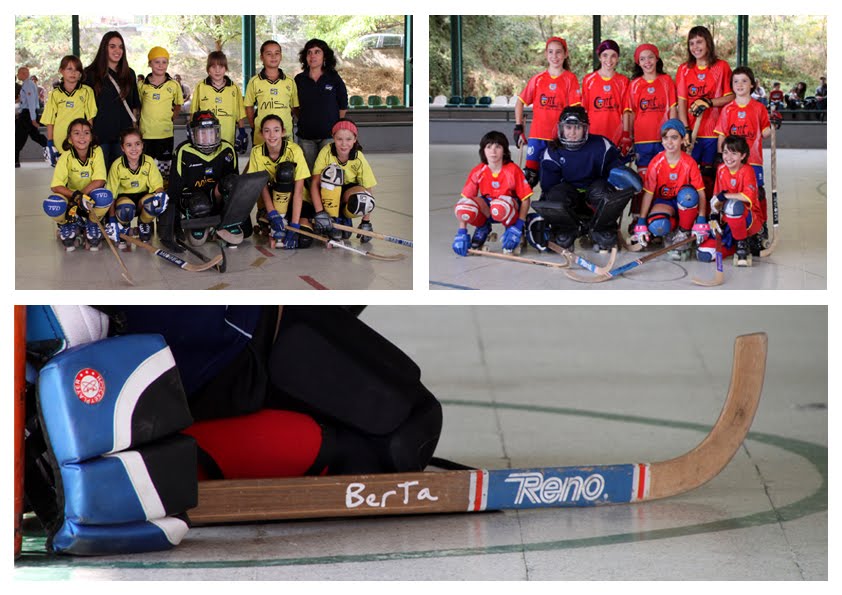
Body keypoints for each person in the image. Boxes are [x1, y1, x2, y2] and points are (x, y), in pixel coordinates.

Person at [23, 305, 442, 555]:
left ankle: (164, 461)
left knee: (396, 435)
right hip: (238, 341)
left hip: (197, 365)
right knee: (406, 433)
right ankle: (163, 464)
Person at [528, 105, 640, 253]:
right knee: (555, 195)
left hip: (595, 198)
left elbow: (615, 170)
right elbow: (549, 188)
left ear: (585, 129)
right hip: (571, 202)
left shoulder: (601, 145)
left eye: (577, 128)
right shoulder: (552, 151)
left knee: (603, 191)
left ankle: (603, 229)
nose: (572, 133)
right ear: (561, 128)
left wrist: (625, 177)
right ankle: (565, 230)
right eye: (568, 127)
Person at [158, 110, 239, 251]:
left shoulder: (227, 149)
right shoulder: (183, 151)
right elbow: (174, 191)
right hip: (193, 201)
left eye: (211, 132)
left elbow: (236, 187)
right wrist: (171, 228)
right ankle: (198, 221)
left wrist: (241, 220)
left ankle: (227, 222)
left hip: (215, 197)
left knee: (233, 183)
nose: (207, 138)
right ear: (192, 134)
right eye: (202, 133)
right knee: (200, 204)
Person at [630, 119, 708, 260]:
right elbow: (648, 194)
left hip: (685, 203)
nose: (669, 142)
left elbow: (701, 192)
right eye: (665, 138)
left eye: (674, 137)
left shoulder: (689, 162)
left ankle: (684, 231)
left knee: (688, 195)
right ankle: (671, 233)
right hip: (665, 202)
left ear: (683, 140)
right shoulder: (656, 162)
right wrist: (641, 221)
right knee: (657, 225)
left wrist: (702, 218)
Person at [713, 66, 771, 253]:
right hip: (733, 162)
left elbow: (766, 132)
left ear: (752, 84)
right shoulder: (728, 109)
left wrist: (775, 124)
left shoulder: (759, 108)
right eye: (736, 81)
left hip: (753, 160)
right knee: (733, 193)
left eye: (744, 81)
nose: (740, 85)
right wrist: (720, 157)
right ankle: (737, 229)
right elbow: (722, 135)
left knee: (757, 195)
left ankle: (760, 228)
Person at [452, 131, 533, 256]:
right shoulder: (478, 171)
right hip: (489, 210)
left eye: (498, 147)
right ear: (483, 151)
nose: (493, 151)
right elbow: (466, 201)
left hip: (508, 210)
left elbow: (525, 199)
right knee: (464, 207)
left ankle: (511, 231)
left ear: (505, 151)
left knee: (500, 205)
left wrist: (518, 226)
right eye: (488, 147)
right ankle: (483, 228)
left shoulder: (513, 170)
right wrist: (461, 231)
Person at [514, 37, 581, 187]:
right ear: (546, 54)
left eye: (558, 52)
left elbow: (575, 111)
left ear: (565, 54)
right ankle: (520, 210)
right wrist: (518, 127)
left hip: (558, 139)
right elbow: (520, 102)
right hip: (537, 137)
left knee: (551, 181)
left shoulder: (570, 79)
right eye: (550, 52)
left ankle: (548, 209)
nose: (554, 56)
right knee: (528, 179)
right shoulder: (537, 79)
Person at [676, 25, 734, 199]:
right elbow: (682, 103)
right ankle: (690, 213)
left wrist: (709, 102)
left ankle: (710, 216)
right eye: (691, 43)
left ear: (708, 42)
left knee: (710, 175)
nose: (695, 47)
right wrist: (685, 130)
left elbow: (730, 96)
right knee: (690, 175)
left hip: (714, 133)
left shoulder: (722, 67)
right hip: (692, 134)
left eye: (699, 42)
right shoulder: (684, 70)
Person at [625, 43, 677, 228]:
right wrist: (627, 136)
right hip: (643, 140)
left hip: (664, 140)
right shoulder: (635, 84)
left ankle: (660, 218)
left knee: (664, 178)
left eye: (650, 57)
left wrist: (675, 134)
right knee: (644, 180)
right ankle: (639, 218)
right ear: (638, 63)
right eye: (642, 59)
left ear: (657, 58)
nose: (647, 62)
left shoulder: (666, 81)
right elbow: (630, 113)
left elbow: (672, 109)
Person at [41, 118, 113, 251]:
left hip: (89, 201)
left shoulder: (97, 152)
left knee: (105, 196)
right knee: (52, 204)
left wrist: (81, 196)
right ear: (69, 138)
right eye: (76, 133)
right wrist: (75, 197)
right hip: (71, 203)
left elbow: (100, 180)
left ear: (91, 137)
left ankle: (92, 224)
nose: (82, 137)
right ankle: (66, 225)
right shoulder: (65, 156)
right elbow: (56, 186)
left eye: (86, 133)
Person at [246, 114, 314, 249]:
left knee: (304, 239)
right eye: (267, 131)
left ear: (283, 132)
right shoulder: (256, 152)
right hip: (272, 201)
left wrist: (294, 225)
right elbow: (262, 186)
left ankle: (286, 223)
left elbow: (299, 191)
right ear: (261, 133)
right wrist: (272, 213)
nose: (272, 135)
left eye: (276, 130)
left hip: (296, 201)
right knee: (279, 234)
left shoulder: (294, 150)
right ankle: (273, 222)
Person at [307, 118, 378, 242]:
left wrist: (366, 221)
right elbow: (314, 183)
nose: (344, 144)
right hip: (327, 193)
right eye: (339, 139)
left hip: (345, 194)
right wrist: (320, 213)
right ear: (333, 138)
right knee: (334, 173)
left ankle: (343, 217)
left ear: (355, 139)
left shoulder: (358, 157)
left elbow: (368, 188)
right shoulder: (326, 152)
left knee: (365, 198)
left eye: (348, 139)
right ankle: (331, 219)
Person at [697, 135, 762, 265]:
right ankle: (732, 245)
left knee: (733, 206)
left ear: (743, 156)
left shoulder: (747, 170)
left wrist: (725, 196)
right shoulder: (721, 169)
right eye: (726, 152)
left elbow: (746, 196)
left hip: (748, 219)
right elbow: (716, 197)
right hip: (727, 221)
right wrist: (714, 216)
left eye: (734, 153)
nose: (728, 157)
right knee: (703, 254)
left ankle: (741, 244)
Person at [84, 31, 142, 168]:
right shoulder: (90, 74)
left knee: (121, 176)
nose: (117, 50)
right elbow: (85, 108)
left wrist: (134, 134)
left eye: (121, 47)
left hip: (123, 137)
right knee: (100, 177)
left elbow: (134, 106)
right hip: (99, 136)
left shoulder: (129, 73)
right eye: (112, 46)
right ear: (104, 48)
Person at [105, 128, 167, 246]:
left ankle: (144, 223)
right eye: (129, 145)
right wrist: (112, 219)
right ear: (122, 148)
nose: (134, 148)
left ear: (142, 145)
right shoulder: (117, 165)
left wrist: (161, 197)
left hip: (142, 199)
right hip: (124, 200)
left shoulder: (148, 162)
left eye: (137, 144)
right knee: (125, 209)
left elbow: (158, 187)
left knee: (152, 202)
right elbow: (111, 194)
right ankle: (123, 224)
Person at [294, 39, 349, 172]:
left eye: (317, 52)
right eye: (309, 53)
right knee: (309, 174)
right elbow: (294, 106)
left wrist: (335, 125)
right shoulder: (299, 79)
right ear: (305, 57)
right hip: (306, 136)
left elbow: (343, 104)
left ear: (324, 56)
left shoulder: (333, 78)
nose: (313, 56)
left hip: (329, 136)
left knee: (327, 174)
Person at [40, 56, 97, 167]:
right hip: (60, 139)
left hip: (80, 138)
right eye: (69, 69)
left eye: (76, 69)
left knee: (79, 171)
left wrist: (89, 138)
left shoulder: (87, 91)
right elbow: (50, 120)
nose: (73, 73)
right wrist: (50, 142)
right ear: (61, 71)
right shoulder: (55, 94)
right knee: (63, 173)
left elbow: (90, 117)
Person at [138, 47, 183, 185]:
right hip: (146, 133)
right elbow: (138, 106)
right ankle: (147, 187)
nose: (160, 65)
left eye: (164, 62)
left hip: (165, 133)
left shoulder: (173, 85)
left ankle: (164, 189)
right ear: (150, 63)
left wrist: (171, 118)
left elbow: (178, 105)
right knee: (146, 163)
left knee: (165, 165)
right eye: (157, 62)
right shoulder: (141, 85)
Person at [190, 51, 249, 153]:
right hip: (206, 139)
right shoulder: (201, 86)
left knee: (226, 166)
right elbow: (193, 113)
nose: (217, 70)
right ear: (208, 69)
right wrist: (192, 133)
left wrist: (242, 132)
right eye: (213, 67)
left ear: (225, 68)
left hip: (228, 138)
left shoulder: (234, 88)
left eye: (221, 67)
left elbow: (239, 113)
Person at [580, 39, 632, 153]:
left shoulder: (623, 81)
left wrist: (626, 135)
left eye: (613, 56)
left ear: (618, 58)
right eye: (605, 55)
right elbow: (584, 110)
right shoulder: (588, 80)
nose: (609, 60)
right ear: (599, 57)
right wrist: (583, 133)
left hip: (616, 134)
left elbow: (626, 111)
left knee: (613, 169)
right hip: (593, 133)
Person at [245, 40, 299, 147]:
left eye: (277, 53)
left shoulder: (290, 81)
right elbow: (248, 106)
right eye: (269, 54)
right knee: (261, 162)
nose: (273, 57)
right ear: (262, 57)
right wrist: (254, 126)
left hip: (285, 134)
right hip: (262, 135)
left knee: (286, 163)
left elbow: (294, 107)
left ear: (281, 56)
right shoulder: (254, 81)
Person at [15, 66, 48, 167]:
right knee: (35, 136)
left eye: (19, 73)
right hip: (27, 114)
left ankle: (15, 160)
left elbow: (31, 103)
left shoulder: (28, 85)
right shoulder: (28, 84)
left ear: (24, 74)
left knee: (18, 137)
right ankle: (54, 146)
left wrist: (33, 119)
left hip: (27, 114)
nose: (17, 75)